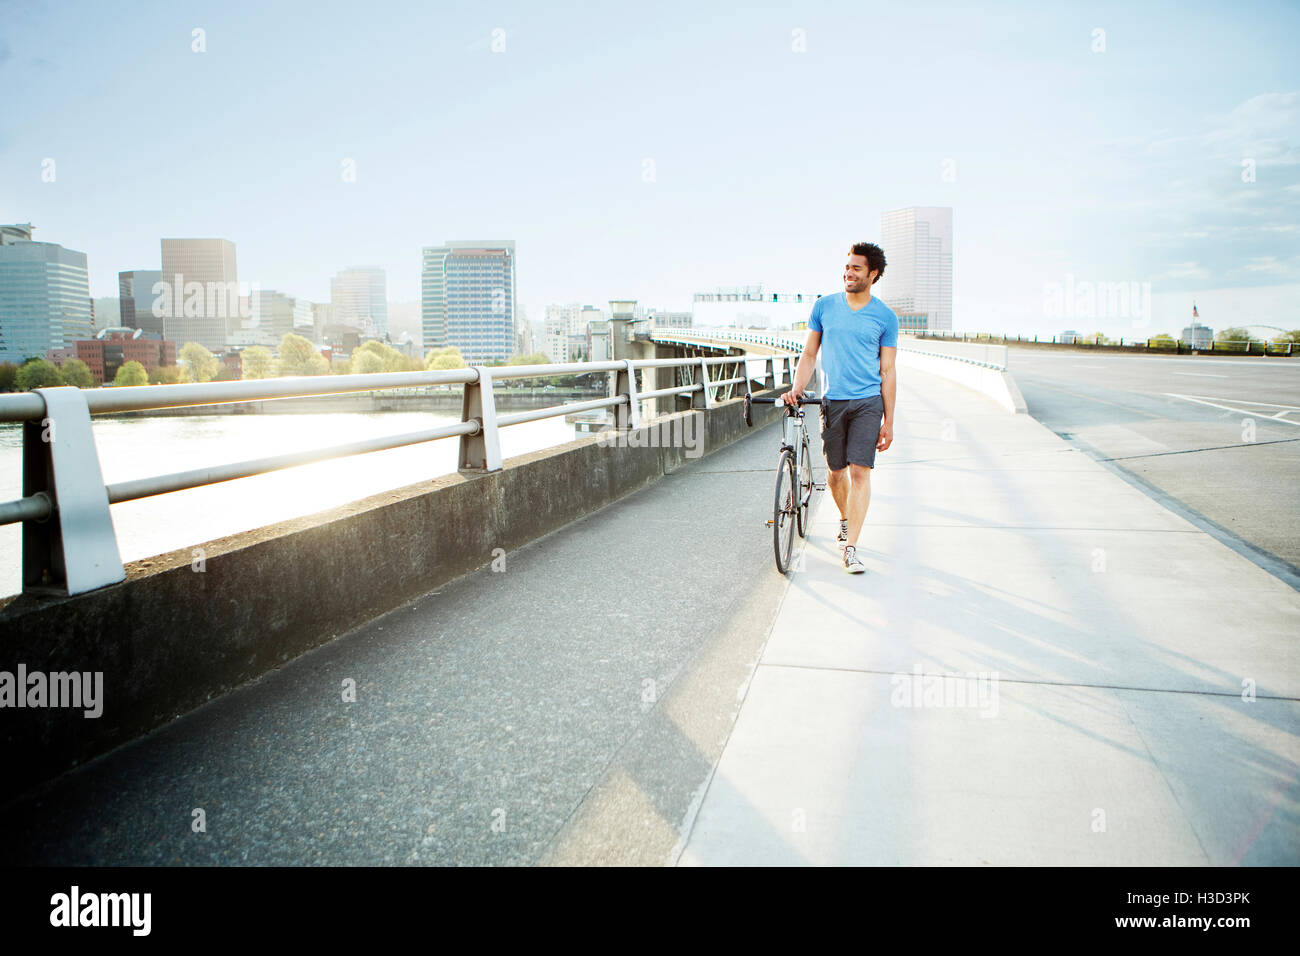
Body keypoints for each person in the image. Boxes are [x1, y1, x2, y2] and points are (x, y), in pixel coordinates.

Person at [783, 242, 898, 573]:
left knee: (860, 471)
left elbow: (888, 370)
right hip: (833, 401)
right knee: (835, 473)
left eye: (856, 268)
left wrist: (888, 421)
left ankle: (851, 548)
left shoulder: (885, 317)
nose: (848, 273)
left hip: (867, 401)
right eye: (847, 267)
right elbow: (809, 354)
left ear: (873, 274)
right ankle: (845, 517)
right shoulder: (824, 307)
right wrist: (797, 388)